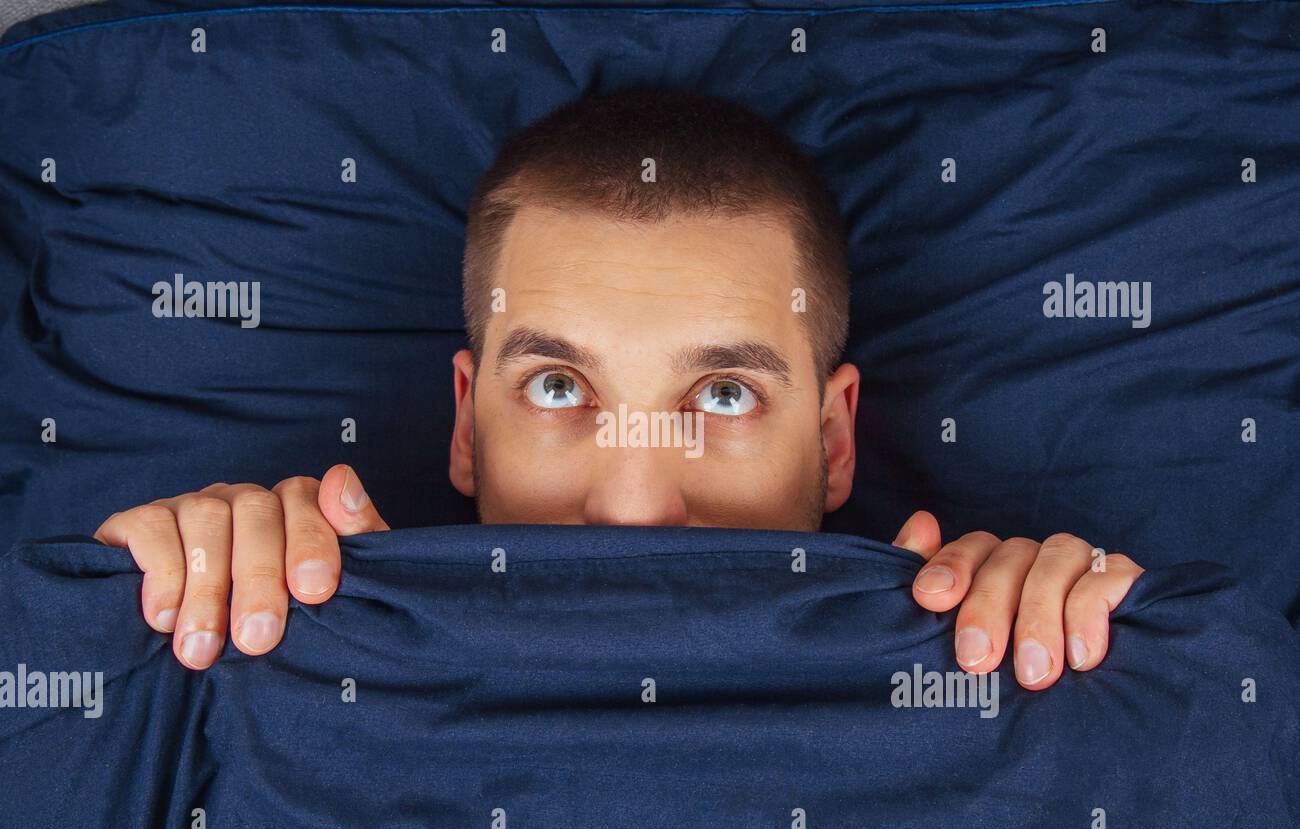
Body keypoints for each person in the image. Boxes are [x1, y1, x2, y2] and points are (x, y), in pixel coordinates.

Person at [94, 88, 1143, 689]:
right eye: (558, 386)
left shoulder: (988, 680)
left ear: (832, 441)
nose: (637, 505)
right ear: (466, 421)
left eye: (723, 397)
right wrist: (124, 627)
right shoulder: (259, 648)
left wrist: (1107, 673)